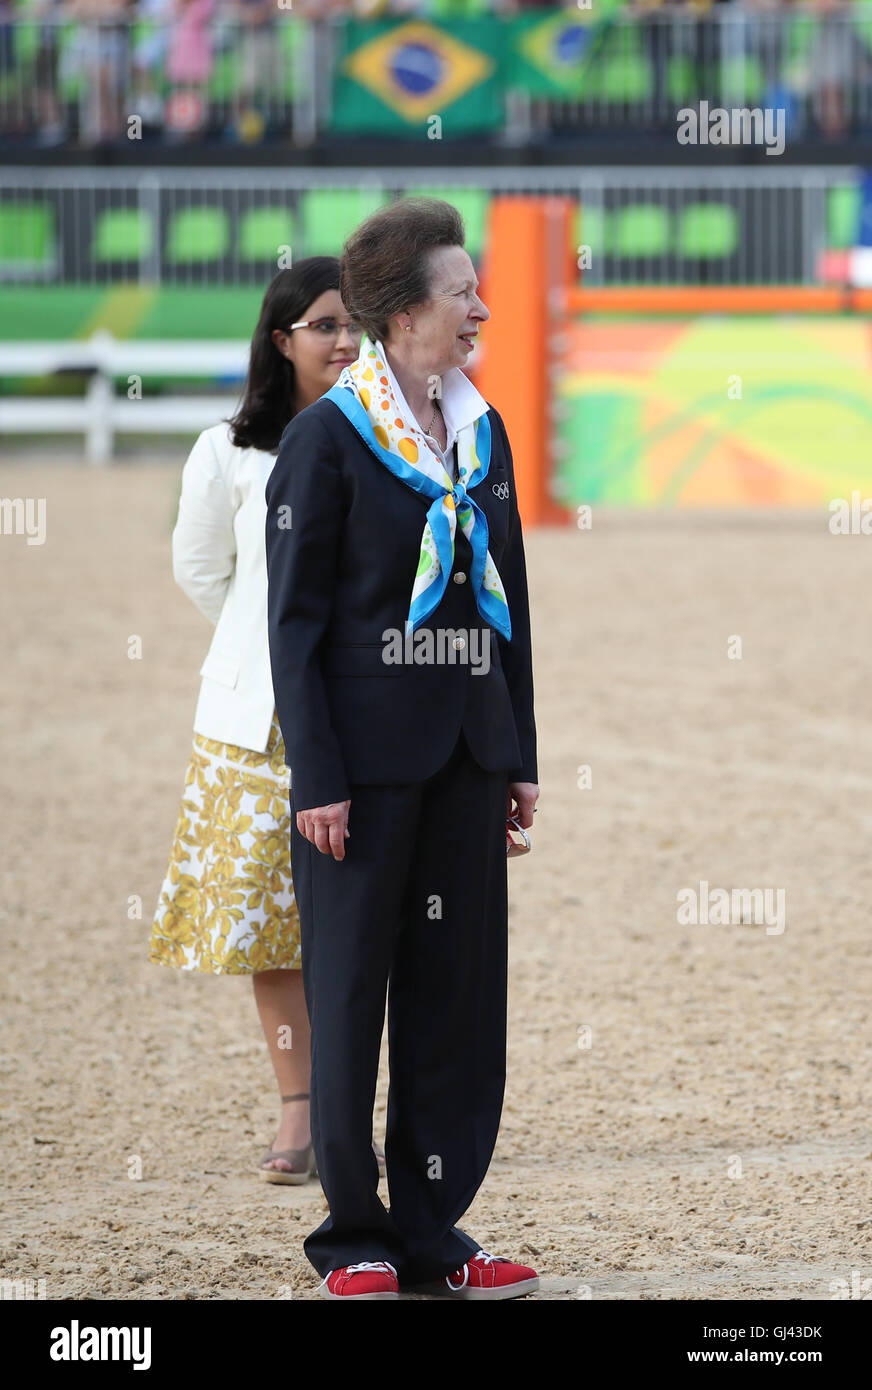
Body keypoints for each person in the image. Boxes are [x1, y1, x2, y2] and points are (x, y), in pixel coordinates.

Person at [265, 197, 540, 1300]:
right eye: (462, 290)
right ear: (402, 311)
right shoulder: (325, 437)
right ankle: (355, 1235)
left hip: (467, 755)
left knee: (456, 1001)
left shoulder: (480, 429)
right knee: (350, 997)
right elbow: (292, 626)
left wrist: (518, 751)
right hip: (362, 771)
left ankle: (433, 1230)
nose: (481, 306)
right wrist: (316, 777)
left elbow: (509, 598)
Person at [150, 259, 378, 1184]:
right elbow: (202, 570)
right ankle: (301, 1108)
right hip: (253, 730)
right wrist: (272, 650)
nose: (345, 341)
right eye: (325, 325)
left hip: (364, 714)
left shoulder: (382, 439)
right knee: (268, 930)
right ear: (281, 340)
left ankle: (357, 1115)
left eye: (352, 324)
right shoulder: (226, 452)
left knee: (364, 924)